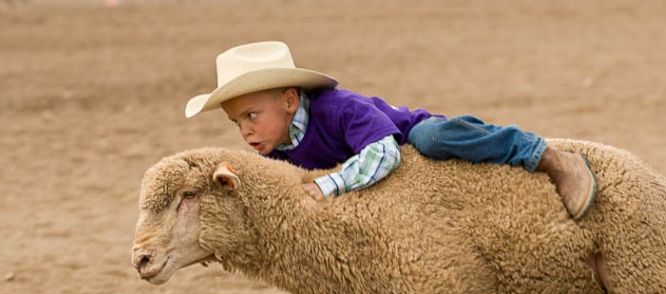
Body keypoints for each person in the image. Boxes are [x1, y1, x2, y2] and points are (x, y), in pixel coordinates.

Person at [186, 41, 597, 219]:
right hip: (372, 181)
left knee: (433, 139)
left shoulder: (340, 108)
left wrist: (329, 185)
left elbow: (385, 152)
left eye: (252, 115)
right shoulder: (277, 148)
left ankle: (547, 156)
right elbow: (266, 181)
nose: (245, 130)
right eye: (237, 121)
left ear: (290, 101)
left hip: (403, 138)